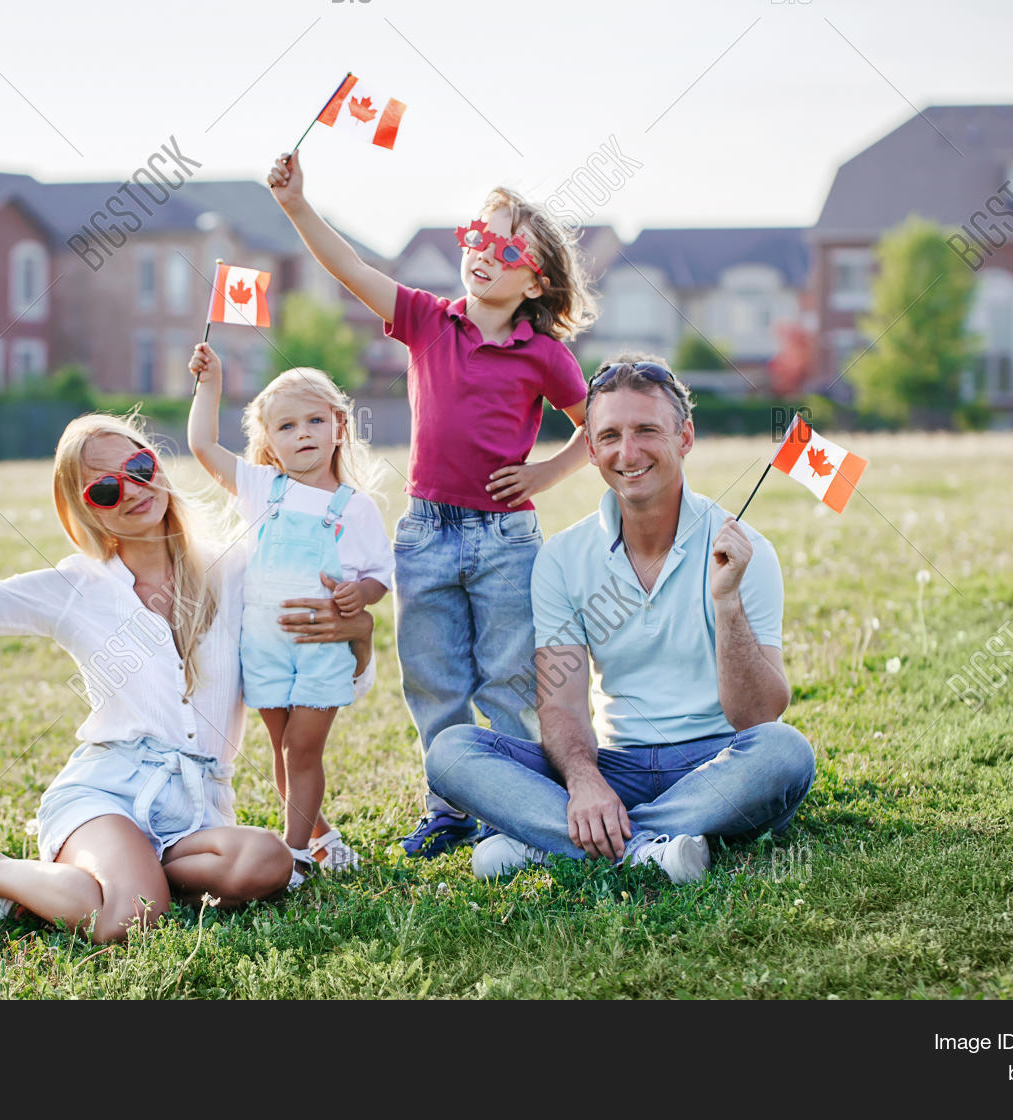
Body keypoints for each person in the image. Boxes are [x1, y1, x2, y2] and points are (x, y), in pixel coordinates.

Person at [0, 410, 378, 944]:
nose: (133, 490)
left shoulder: (238, 568)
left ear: (158, 467)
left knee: (268, 862)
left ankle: (88, 886)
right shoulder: (80, 587)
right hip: (106, 794)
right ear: (85, 512)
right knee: (132, 919)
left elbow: (326, 681)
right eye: (104, 490)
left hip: (196, 812)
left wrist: (359, 629)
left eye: (139, 467)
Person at [268, 151, 598, 857]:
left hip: (506, 539)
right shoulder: (426, 319)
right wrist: (298, 206)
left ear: (534, 279)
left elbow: (597, 430)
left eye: (506, 247)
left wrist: (545, 475)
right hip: (425, 532)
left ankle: (517, 814)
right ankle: (450, 808)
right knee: (435, 681)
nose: (483, 252)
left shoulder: (544, 355)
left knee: (508, 682)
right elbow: (352, 270)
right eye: (478, 235)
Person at [425, 356, 817, 882]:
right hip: (617, 765)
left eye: (647, 431)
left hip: (718, 762)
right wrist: (585, 780)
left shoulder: (746, 550)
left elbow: (758, 715)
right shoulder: (564, 557)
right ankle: (650, 849)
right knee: (451, 752)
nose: (627, 453)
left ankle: (564, 842)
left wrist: (727, 602)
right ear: (590, 449)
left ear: (685, 437)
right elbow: (560, 702)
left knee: (785, 752)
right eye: (609, 435)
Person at [187, 343, 392, 885]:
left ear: (339, 427)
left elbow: (379, 576)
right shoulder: (260, 490)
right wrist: (211, 384)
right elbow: (202, 444)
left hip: (321, 646)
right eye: (286, 426)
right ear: (270, 446)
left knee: (303, 749)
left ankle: (295, 852)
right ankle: (320, 835)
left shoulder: (355, 506)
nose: (302, 433)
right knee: (281, 751)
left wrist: (360, 595)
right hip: (264, 644)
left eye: (314, 420)